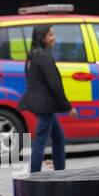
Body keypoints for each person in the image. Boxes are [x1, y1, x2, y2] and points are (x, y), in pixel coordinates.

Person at [20, 24, 70, 172]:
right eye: (50, 35)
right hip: (45, 106)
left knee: (58, 136)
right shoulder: (44, 57)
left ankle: (60, 172)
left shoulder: (33, 55)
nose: (54, 38)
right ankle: (34, 175)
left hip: (40, 104)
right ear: (42, 38)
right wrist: (68, 106)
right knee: (40, 142)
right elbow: (55, 84)